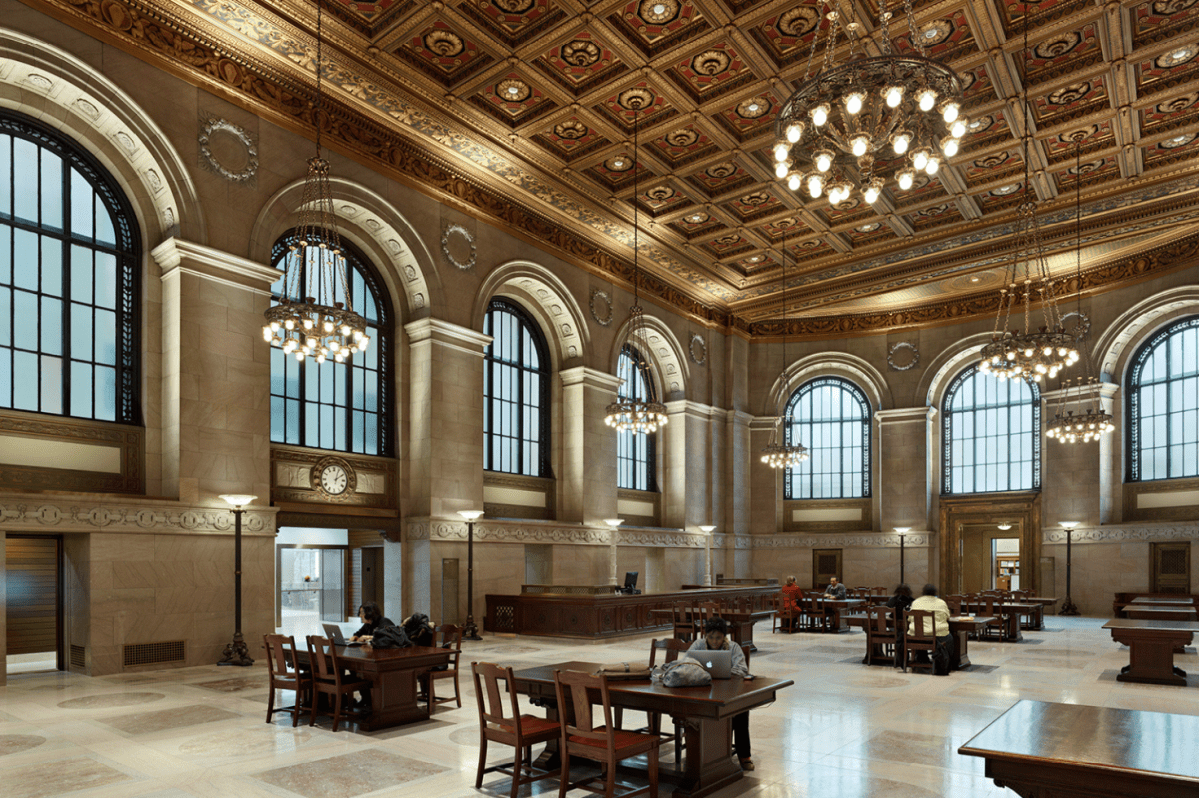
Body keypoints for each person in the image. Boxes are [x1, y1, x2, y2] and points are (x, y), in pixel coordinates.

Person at [688, 617, 755, 771]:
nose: (714, 641)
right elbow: (687, 662)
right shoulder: (698, 645)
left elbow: (742, 669)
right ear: (706, 636)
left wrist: (724, 672)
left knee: (741, 711)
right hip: (703, 689)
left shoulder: (733, 647)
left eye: (718, 637)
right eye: (711, 637)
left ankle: (744, 756)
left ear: (724, 636)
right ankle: (706, 754)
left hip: (729, 691)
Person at [906, 583, 953, 675]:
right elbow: (947, 617)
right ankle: (946, 663)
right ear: (935, 592)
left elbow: (910, 618)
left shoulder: (916, 602)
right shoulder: (941, 602)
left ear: (923, 592)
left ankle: (921, 660)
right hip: (937, 634)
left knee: (919, 634)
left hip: (917, 634)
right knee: (950, 638)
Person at [886, 584, 914, 669]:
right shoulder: (912, 601)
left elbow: (887, 609)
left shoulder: (893, 600)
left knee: (898, 633)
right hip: (908, 629)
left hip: (893, 629)